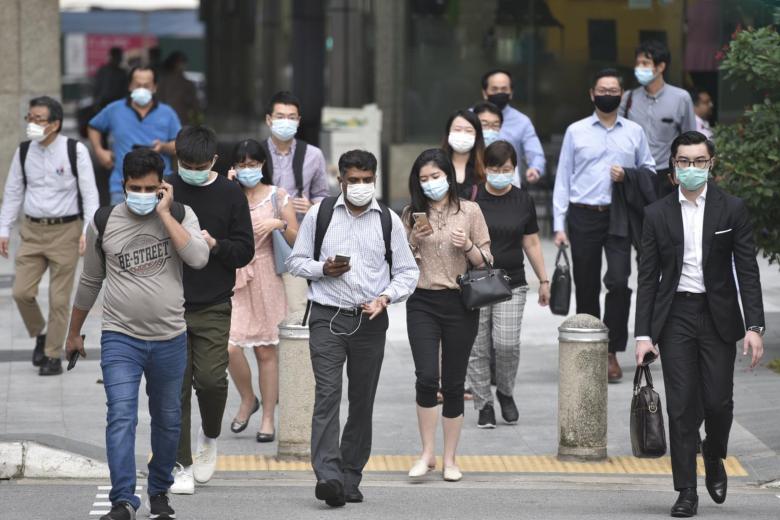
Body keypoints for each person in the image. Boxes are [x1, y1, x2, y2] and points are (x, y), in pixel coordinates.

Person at [64, 148, 210, 520]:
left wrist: (164, 214)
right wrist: (74, 332)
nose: (142, 195)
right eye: (135, 188)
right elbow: (91, 280)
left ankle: (158, 491)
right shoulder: (103, 221)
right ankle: (123, 500)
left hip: (170, 338)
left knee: (168, 419)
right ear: (123, 185)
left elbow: (198, 258)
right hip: (120, 337)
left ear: (162, 186)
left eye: (150, 188)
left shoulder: (180, 215)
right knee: (122, 416)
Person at [634, 131, 765, 518]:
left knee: (718, 401)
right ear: (673, 167)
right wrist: (644, 334)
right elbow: (647, 277)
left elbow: (748, 270)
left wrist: (755, 327)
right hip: (675, 314)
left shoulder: (732, 209)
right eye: (684, 162)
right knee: (681, 404)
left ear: (712, 164)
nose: (692, 168)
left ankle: (714, 451)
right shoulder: (656, 213)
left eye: (699, 161)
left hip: (719, 315)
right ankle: (686, 490)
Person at [287, 150, 419, 507]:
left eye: (367, 180)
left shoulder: (387, 220)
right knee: (327, 396)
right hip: (326, 317)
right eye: (353, 180)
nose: (360, 186)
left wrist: (386, 298)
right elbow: (296, 261)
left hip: (370, 320)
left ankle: (350, 475)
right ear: (341, 180)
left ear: (374, 180)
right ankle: (328, 476)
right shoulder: (321, 214)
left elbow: (408, 271)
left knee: (362, 401)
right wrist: (322, 269)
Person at [553, 68, 656, 383]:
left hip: (619, 214)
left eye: (613, 90)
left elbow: (649, 170)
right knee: (586, 284)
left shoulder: (634, 132)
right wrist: (559, 224)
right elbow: (563, 177)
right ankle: (591, 350)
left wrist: (628, 175)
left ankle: (611, 350)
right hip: (583, 214)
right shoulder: (576, 131)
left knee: (619, 280)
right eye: (602, 89)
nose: (608, 94)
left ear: (622, 95)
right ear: (592, 94)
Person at [168, 126, 255, 495]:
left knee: (211, 381)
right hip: (168, 305)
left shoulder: (230, 193)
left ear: (214, 162)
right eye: (187, 165)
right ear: (178, 161)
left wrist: (216, 245)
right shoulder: (166, 189)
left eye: (200, 165)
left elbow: (245, 250)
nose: (192, 171)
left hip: (214, 302)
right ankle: (181, 463)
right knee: (176, 389)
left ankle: (210, 433)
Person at [404, 148, 491, 483]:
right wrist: (413, 240)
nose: (430, 184)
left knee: (453, 383)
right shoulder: (412, 212)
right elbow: (401, 262)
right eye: (424, 179)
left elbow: (486, 257)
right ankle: (427, 453)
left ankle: (450, 459)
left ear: (448, 176)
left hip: (459, 302)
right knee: (426, 376)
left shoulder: (470, 210)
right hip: (422, 301)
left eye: (436, 176)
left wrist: (467, 245)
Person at [0, 96, 99, 376]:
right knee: (21, 292)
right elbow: (12, 193)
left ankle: (53, 355)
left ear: (55, 124)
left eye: (38, 119)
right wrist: (4, 229)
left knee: (59, 299)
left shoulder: (74, 150)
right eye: (29, 118)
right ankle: (41, 334)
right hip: (31, 231)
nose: (32, 124)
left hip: (65, 231)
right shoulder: (23, 152)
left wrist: (86, 232)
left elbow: (90, 194)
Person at [465, 140, 550, 428]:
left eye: (507, 169)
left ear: (514, 169)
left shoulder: (522, 199)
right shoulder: (472, 197)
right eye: (495, 168)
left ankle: (505, 391)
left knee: (506, 343)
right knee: (477, 347)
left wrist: (544, 279)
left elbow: (532, 241)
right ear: (485, 168)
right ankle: (483, 404)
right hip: (476, 282)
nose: (501, 173)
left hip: (512, 281)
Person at [225, 139, 299, 442]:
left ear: (263, 165)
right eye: (241, 164)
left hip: (267, 275)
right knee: (228, 346)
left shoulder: (277, 196)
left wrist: (278, 223)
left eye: (252, 163)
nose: (247, 169)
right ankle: (247, 398)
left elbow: (297, 239)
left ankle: (268, 417)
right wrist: (227, 190)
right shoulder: (227, 195)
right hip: (235, 277)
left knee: (266, 351)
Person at [88, 66, 182, 205]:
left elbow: (179, 145)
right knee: (120, 226)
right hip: (121, 186)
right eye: (138, 85)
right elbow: (93, 126)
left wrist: (163, 146)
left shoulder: (167, 113)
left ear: (154, 87)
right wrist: (99, 150)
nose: (142, 89)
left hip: (158, 186)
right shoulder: (114, 109)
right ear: (130, 86)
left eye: (146, 85)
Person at [621, 40, 696, 198]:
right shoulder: (628, 98)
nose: (639, 68)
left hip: (665, 176)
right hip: (635, 175)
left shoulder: (681, 98)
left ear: (660, 67)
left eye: (645, 63)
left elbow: (690, 140)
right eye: (637, 63)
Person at [262, 91, 330, 218]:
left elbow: (322, 195)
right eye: (280, 117)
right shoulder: (256, 153)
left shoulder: (313, 155)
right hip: (263, 231)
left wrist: (312, 207)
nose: (286, 122)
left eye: (292, 118)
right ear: (268, 120)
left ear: (298, 121)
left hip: (301, 230)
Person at [480, 69, 546, 184]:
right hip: (475, 187)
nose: (499, 93)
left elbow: (535, 153)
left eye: (504, 89)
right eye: (494, 89)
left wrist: (535, 169)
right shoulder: (471, 118)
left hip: (509, 187)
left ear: (511, 93)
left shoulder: (522, 121)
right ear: (485, 93)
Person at [473, 101, 523, 188]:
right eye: (484, 124)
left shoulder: (506, 153)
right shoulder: (465, 155)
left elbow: (515, 187)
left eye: (495, 125)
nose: (490, 130)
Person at [441, 109, 486, 200]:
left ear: (477, 136)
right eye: (457, 130)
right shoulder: (436, 164)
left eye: (469, 131)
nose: (462, 134)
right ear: (448, 133)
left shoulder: (486, 166)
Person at [157, 51, 201, 126]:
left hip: (175, 121)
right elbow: (195, 106)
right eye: (182, 63)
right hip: (173, 121)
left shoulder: (164, 82)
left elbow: (195, 105)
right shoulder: (165, 82)